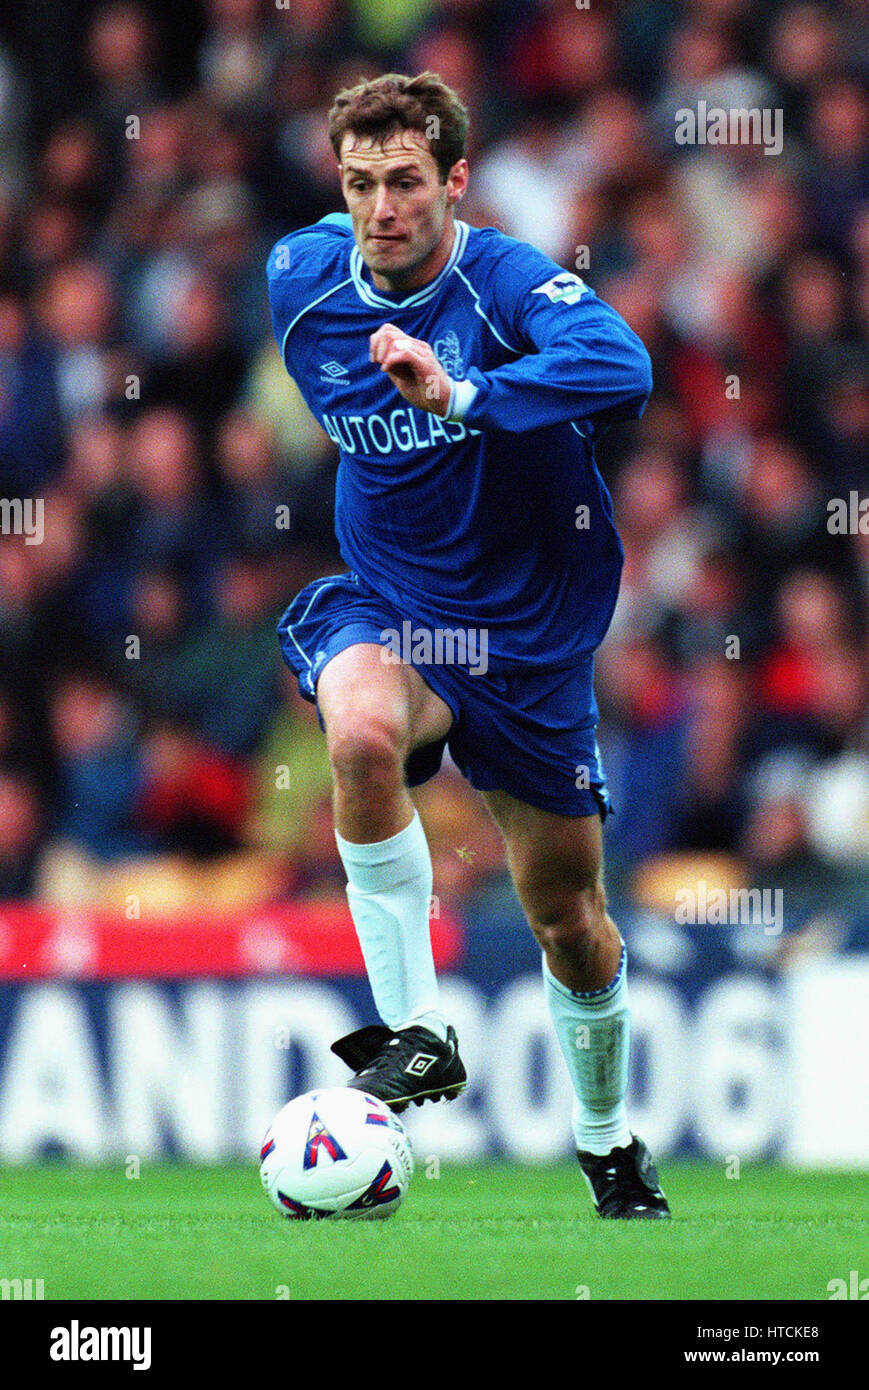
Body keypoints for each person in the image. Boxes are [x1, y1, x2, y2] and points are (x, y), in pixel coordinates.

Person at [267, 72, 669, 1219]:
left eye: (403, 182)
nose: (380, 207)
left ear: (453, 182)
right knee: (355, 732)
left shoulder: (501, 281)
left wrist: (459, 393)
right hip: (392, 603)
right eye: (358, 185)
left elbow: (621, 369)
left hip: (526, 640)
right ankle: (418, 1035)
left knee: (568, 922)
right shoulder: (299, 279)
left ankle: (605, 1142)